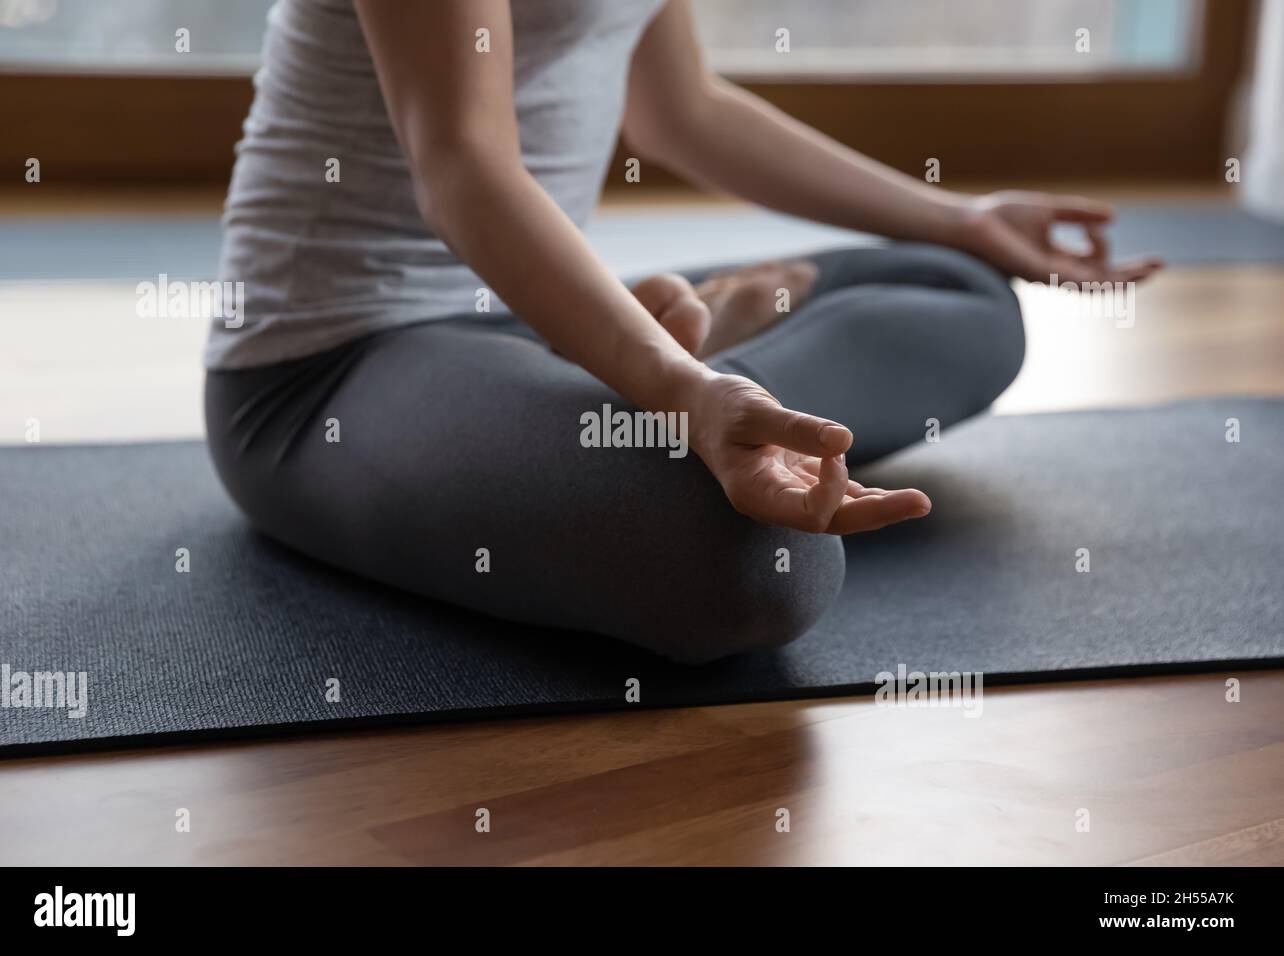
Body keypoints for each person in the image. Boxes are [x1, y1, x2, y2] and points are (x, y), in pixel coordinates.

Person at [204, 0, 1162, 662]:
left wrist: (964, 217)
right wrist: (671, 380)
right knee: (763, 561)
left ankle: (660, 379)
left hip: (527, 320)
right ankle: (683, 383)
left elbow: (681, 111)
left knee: (962, 294)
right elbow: (464, 164)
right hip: (329, 372)